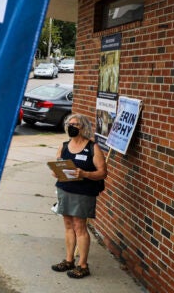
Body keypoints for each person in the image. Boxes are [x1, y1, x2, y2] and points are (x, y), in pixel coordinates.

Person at [51, 113, 107, 279]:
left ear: (84, 128)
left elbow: (103, 173)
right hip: (64, 189)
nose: (71, 127)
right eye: (69, 124)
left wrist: (84, 174)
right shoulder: (64, 146)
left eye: (75, 124)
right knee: (68, 224)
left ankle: (83, 265)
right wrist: (56, 172)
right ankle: (69, 260)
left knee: (79, 227)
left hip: (83, 192)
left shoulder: (92, 147)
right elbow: (58, 164)